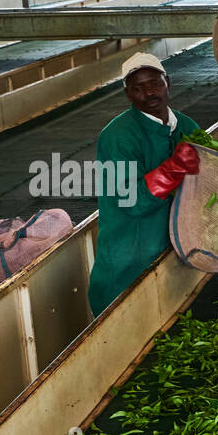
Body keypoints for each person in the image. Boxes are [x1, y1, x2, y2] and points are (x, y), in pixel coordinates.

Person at [87, 52, 202, 316]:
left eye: (154, 84)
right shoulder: (117, 137)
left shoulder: (186, 126)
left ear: (167, 84)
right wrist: (174, 168)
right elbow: (133, 200)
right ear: (128, 95)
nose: (148, 93)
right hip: (130, 261)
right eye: (137, 88)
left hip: (175, 254)